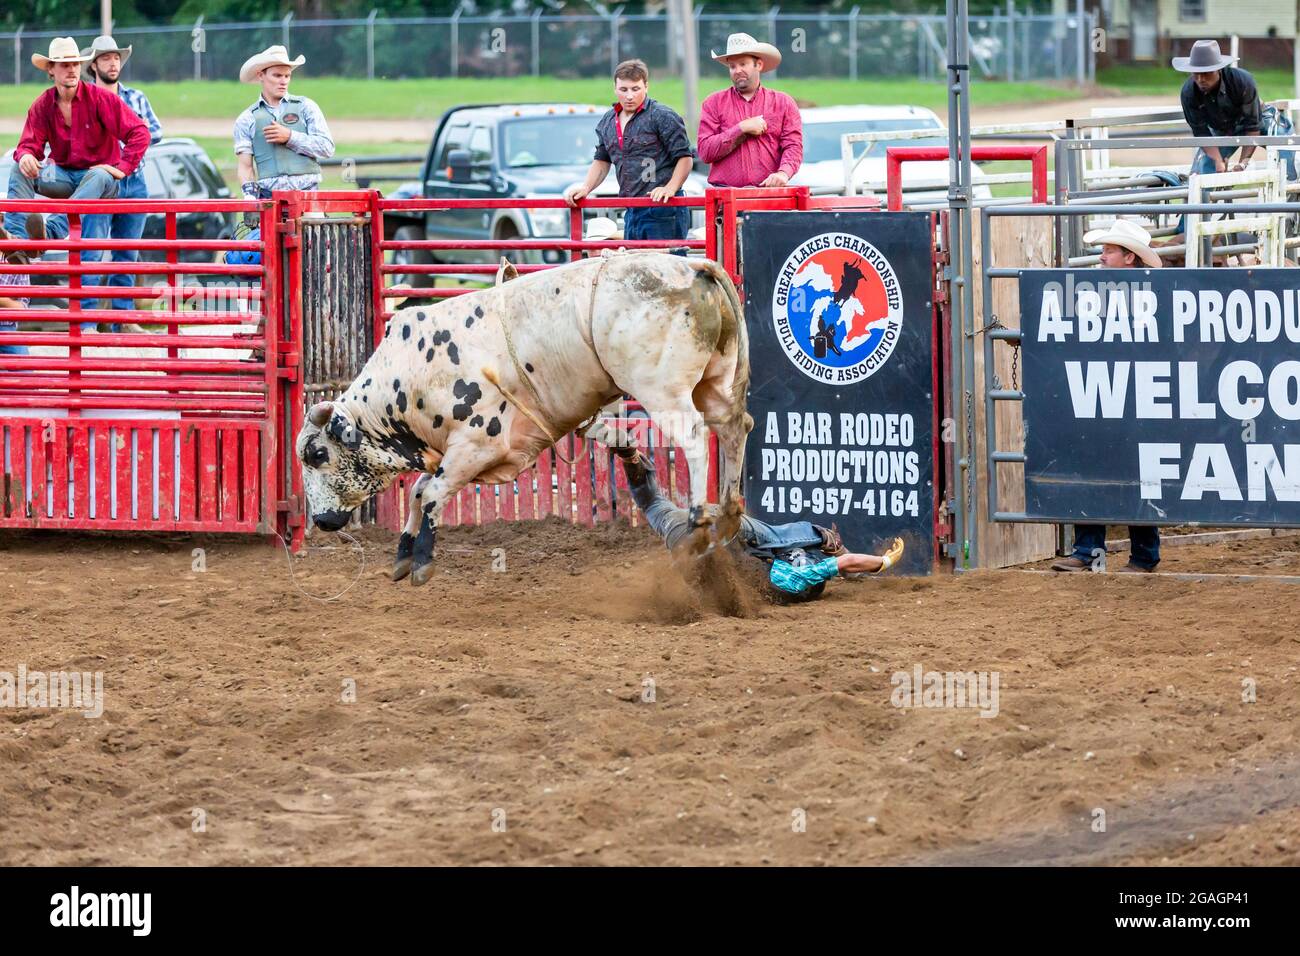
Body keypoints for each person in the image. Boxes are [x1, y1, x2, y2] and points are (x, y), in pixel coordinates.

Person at [587, 422, 904, 601]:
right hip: (690, 542)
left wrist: (884, 561)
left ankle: (632, 460)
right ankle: (635, 463)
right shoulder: (780, 582)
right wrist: (878, 563)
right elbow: (845, 563)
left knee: (754, 534)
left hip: (712, 533)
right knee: (659, 510)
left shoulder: (799, 572)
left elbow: (846, 562)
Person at [5, 37, 149, 322]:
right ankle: (16, 243)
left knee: (97, 174)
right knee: (17, 166)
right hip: (64, 176)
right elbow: (28, 145)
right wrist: (27, 157)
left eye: (75, 64)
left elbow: (140, 133)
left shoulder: (101, 98)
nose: (71, 69)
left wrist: (121, 167)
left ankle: (52, 232)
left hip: (101, 180)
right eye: (64, 65)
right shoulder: (43, 104)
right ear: (51, 70)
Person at [1052, 219, 1162, 575]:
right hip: (1101, 391)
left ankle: (1139, 555)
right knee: (1095, 464)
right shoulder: (1092, 294)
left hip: (1137, 393)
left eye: (1109, 251)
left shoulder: (1151, 293)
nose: (1101, 257)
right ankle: (1091, 551)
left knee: (1137, 471)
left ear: (1130, 258)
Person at [564, 59, 695, 251]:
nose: (630, 96)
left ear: (646, 86)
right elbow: (602, 160)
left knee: (665, 271)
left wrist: (670, 188)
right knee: (633, 269)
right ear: (615, 88)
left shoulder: (662, 115)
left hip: (663, 207)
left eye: (636, 89)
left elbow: (685, 157)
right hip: (631, 207)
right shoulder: (608, 120)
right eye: (624, 89)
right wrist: (586, 187)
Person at [82, 35, 162, 332]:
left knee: (126, 251)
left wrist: (129, 135)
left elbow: (156, 130)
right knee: (91, 252)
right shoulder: (85, 99)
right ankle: (87, 322)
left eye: (116, 58)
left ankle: (123, 320)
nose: (113, 63)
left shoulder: (136, 97)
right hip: (100, 182)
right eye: (106, 58)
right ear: (94, 65)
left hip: (134, 179)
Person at [697, 33, 802, 189]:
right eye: (732, 66)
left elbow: (793, 146)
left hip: (770, 194)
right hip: (725, 195)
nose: (737, 70)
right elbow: (705, 152)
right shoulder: (713, 103)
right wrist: (741, 128)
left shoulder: (783, 102)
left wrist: (783, 173)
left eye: (743, 64)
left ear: (758, 65)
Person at [233, 45, 335, 201]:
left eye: (287, 76)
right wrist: (250, 198)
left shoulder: (306, 107)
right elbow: (245, 166)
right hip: (269, 200)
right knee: (257, 227)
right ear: (261, 75)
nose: (283, 81)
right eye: (277, 75)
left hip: (309, 199)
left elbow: (327, 148)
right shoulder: (247, 119)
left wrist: (290, 137)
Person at [0, 216, 46, 356]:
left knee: (24, 367)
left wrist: (3, 301)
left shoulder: (19, 262)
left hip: (5, 328)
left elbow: (23, 308)